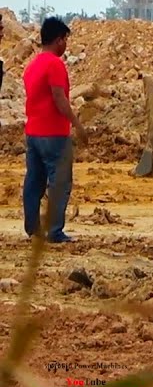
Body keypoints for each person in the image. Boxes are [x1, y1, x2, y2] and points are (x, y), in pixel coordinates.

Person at [22, 17, 86, 243]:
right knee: (59, 182)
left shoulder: (32, 65)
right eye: (65, 39)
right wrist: (77, 125)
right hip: (54, 134)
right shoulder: (54, 64)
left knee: (34, 181)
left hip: (33, 132)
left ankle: (33, 228)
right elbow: (60, 98)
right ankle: (55, 231)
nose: (66, 44)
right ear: (58, 40)